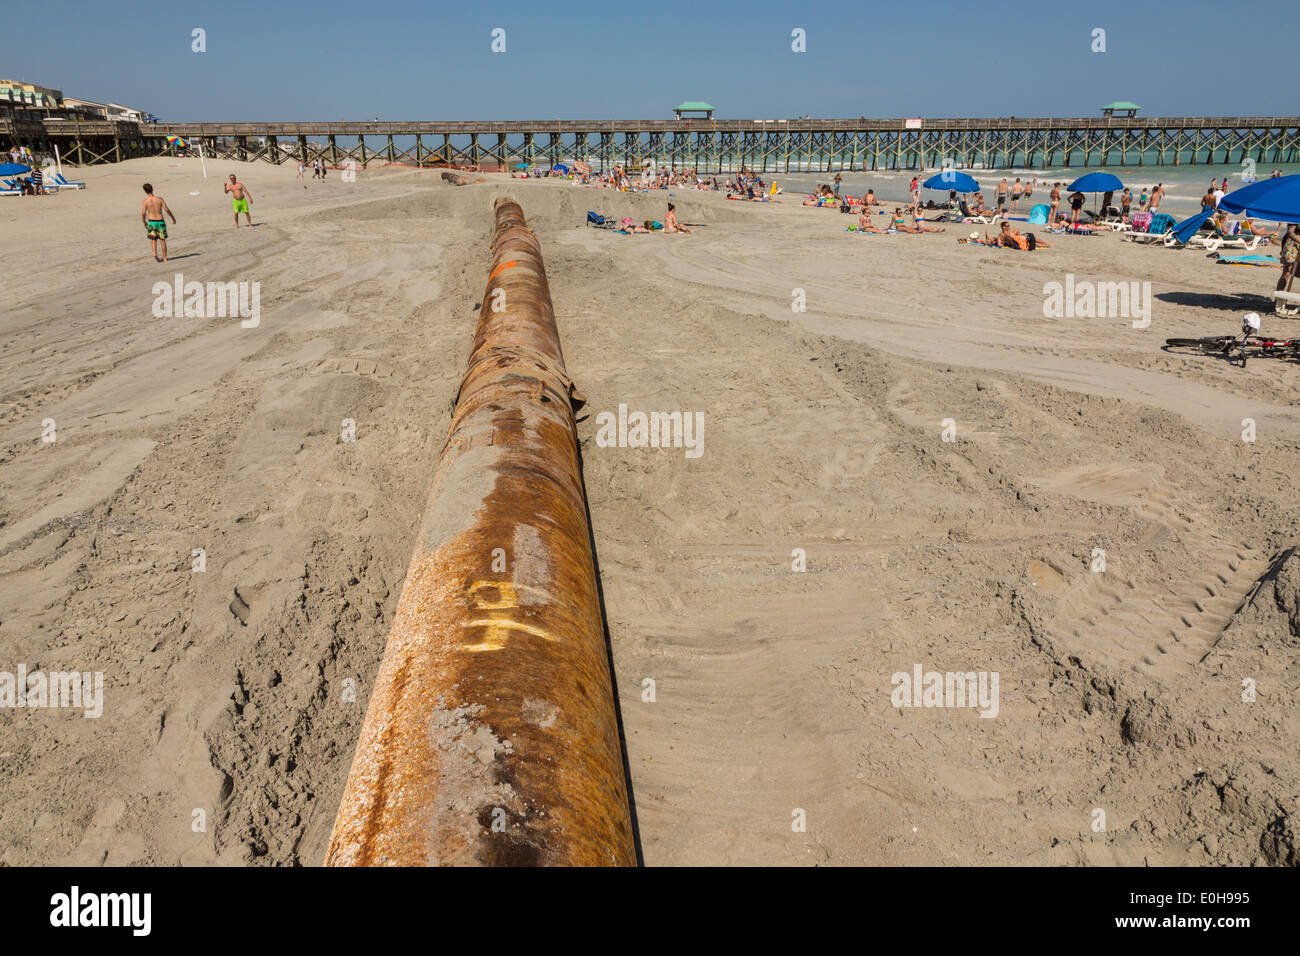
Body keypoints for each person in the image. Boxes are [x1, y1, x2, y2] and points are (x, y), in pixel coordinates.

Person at [140, 183, 177, 262]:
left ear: (145, 191)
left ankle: (155, 254)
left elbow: (143, 213)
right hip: (160, 221)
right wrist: (173, 218)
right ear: (152, 189)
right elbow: (166, 209)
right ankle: (165, 258)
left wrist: (144, 222)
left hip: (151, 222)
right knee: (162, 240)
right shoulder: (159, 199)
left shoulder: (145, 201)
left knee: (153, 240)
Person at [1278, 223, 1300, 293]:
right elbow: (1290, 232)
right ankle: (1278, 298)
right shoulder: (1296, 212)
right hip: (1293, 244)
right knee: (1287, 272)